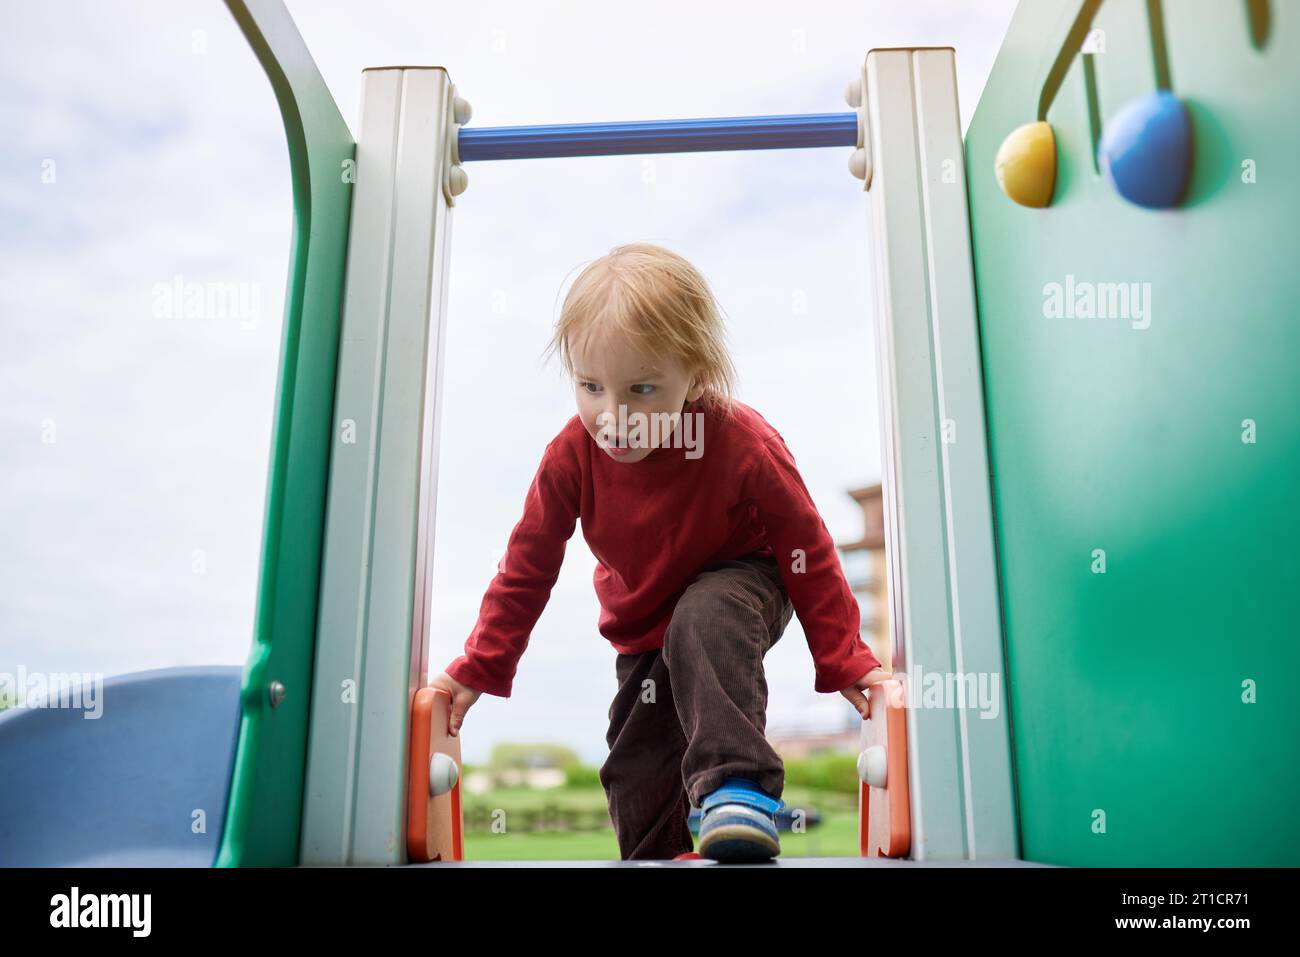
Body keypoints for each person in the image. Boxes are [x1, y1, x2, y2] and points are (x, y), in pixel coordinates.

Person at [429, 242, 890, 862]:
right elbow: (527, 567)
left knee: (706, 613)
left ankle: (738, 790)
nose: (614, 416)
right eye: (591, 386)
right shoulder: (572, 457)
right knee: (636, 767)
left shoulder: (741, 442)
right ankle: (659, 857)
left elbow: (807, 547)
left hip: (743, 582)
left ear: (696, 376)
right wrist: (478, 665)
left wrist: (844, 657)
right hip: (645, 624)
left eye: (642, 389)